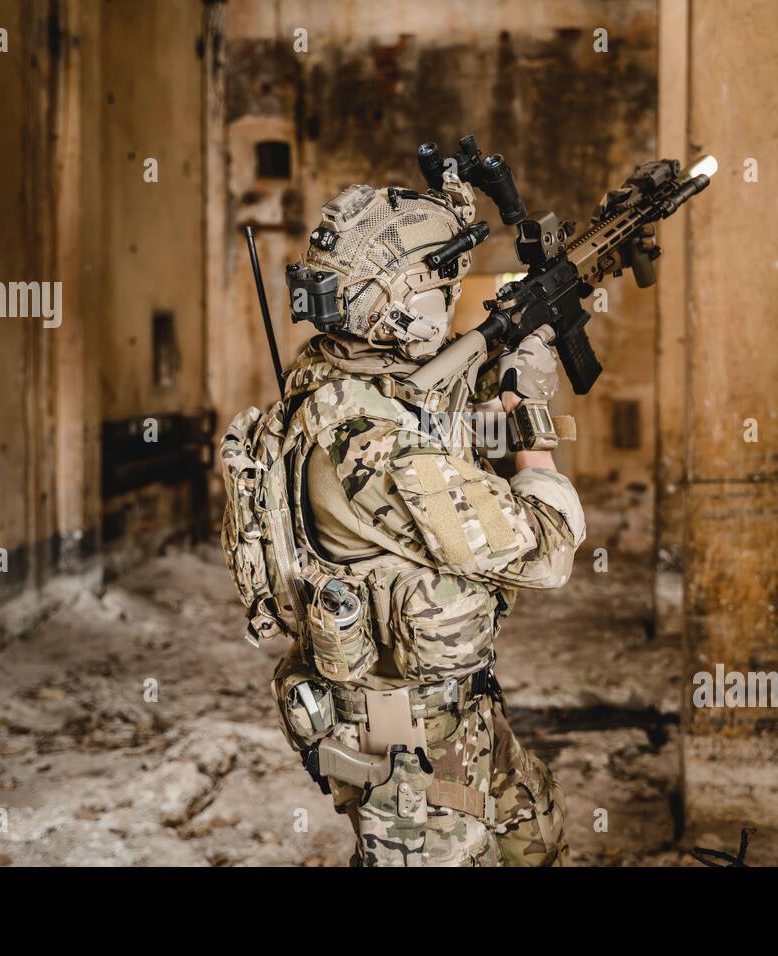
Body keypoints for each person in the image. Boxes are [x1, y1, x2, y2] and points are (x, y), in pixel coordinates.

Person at [220, 170, 585, 866]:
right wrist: (533, 434)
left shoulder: (330, 375)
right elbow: (548, 550)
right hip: (404, 745)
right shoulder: (374, 448)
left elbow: (425, 399)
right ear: (405, 302)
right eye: (441, 285)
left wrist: (502, 350)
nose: (449, 300)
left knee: (534, 837)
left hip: (453, 708)